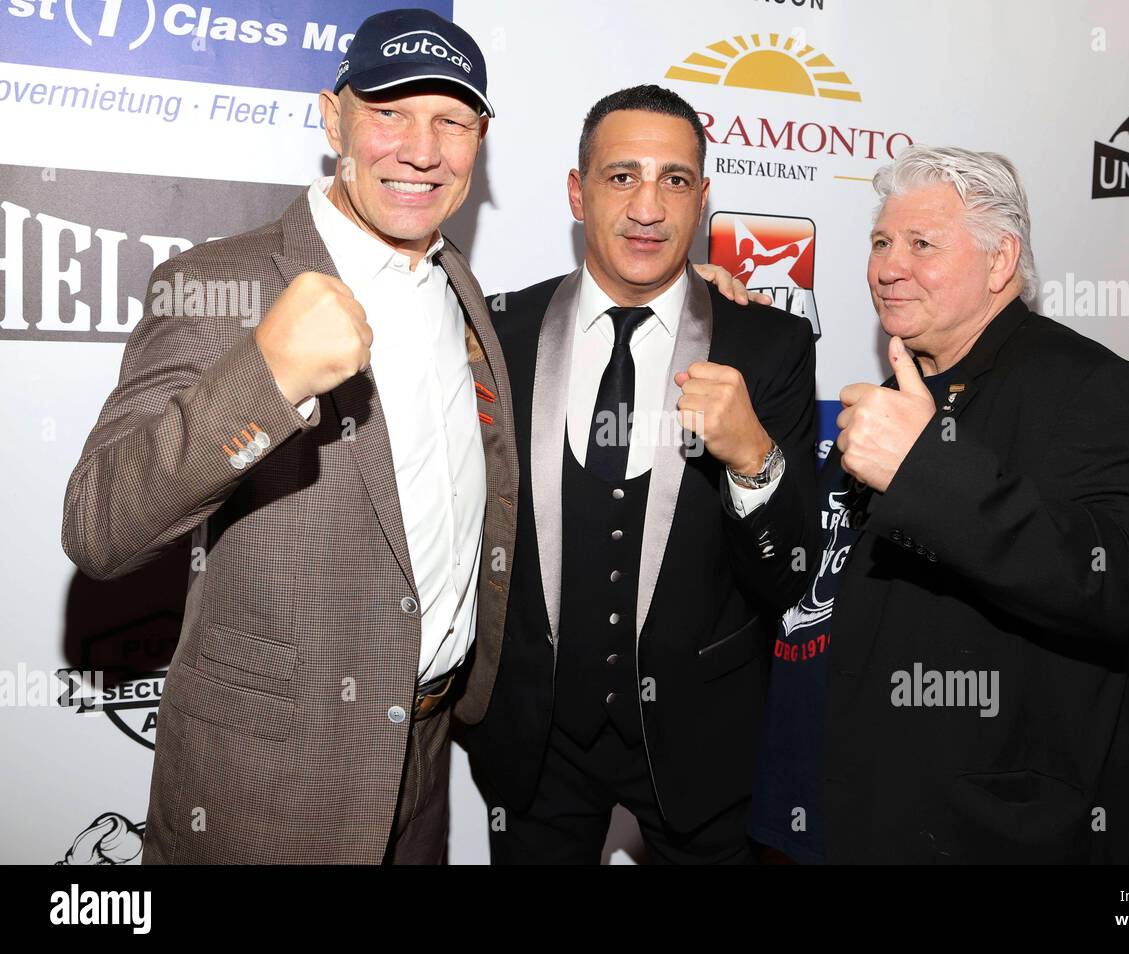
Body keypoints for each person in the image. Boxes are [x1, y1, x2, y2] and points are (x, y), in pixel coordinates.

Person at [60, 7, 511, 864]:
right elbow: (97, 526)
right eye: (389, 112)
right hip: (265, 786)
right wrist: (265, 375)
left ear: (480, 139)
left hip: (425, 763)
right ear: (331, 115)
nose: (422, 149)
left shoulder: (463, 289)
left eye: (451, 119)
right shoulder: (216, 282)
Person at [749, 145, 1129, 864]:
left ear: (1000, 261)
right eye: (882, 241)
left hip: (989, 832)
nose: (888, 265)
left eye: (921, 244)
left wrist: (924, 470)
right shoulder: (897, 394)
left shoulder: (1091, 386)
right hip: (848, 806)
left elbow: (1120, 583)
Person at [458, 85, 819, 864]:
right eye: (622, 177)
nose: (648, 207)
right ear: (576, 192)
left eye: (675, 180)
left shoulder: (769, 344)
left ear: (703, 198)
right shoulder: (500, 331)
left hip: (705, 744)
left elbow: (794, 574)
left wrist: (754, 458)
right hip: (535, 745)